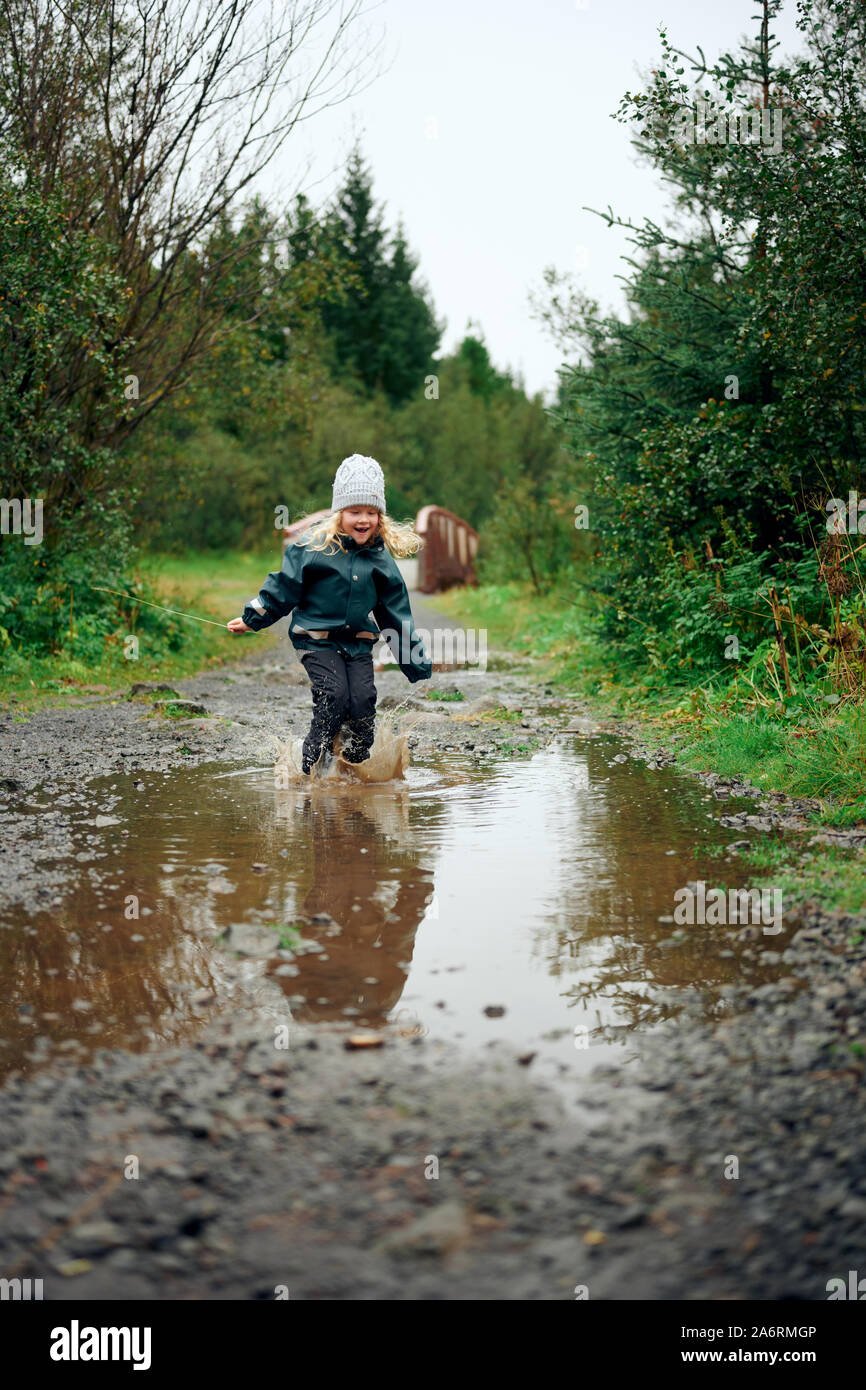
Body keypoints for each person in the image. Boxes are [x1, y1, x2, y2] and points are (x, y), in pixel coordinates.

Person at [227, 454, 432, 774]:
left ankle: (350, 771)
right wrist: (253, 618)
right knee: (334, 696)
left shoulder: (381, 561)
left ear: (380, 516)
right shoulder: (313, 548)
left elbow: (395, 613)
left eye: (371, 512)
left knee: (363, 704)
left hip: (358, 644)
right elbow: (284, 588)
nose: (363, 519)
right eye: (354, 511)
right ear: (339, 513)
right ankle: (310, 769)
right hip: (316, 640)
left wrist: (413, 659)